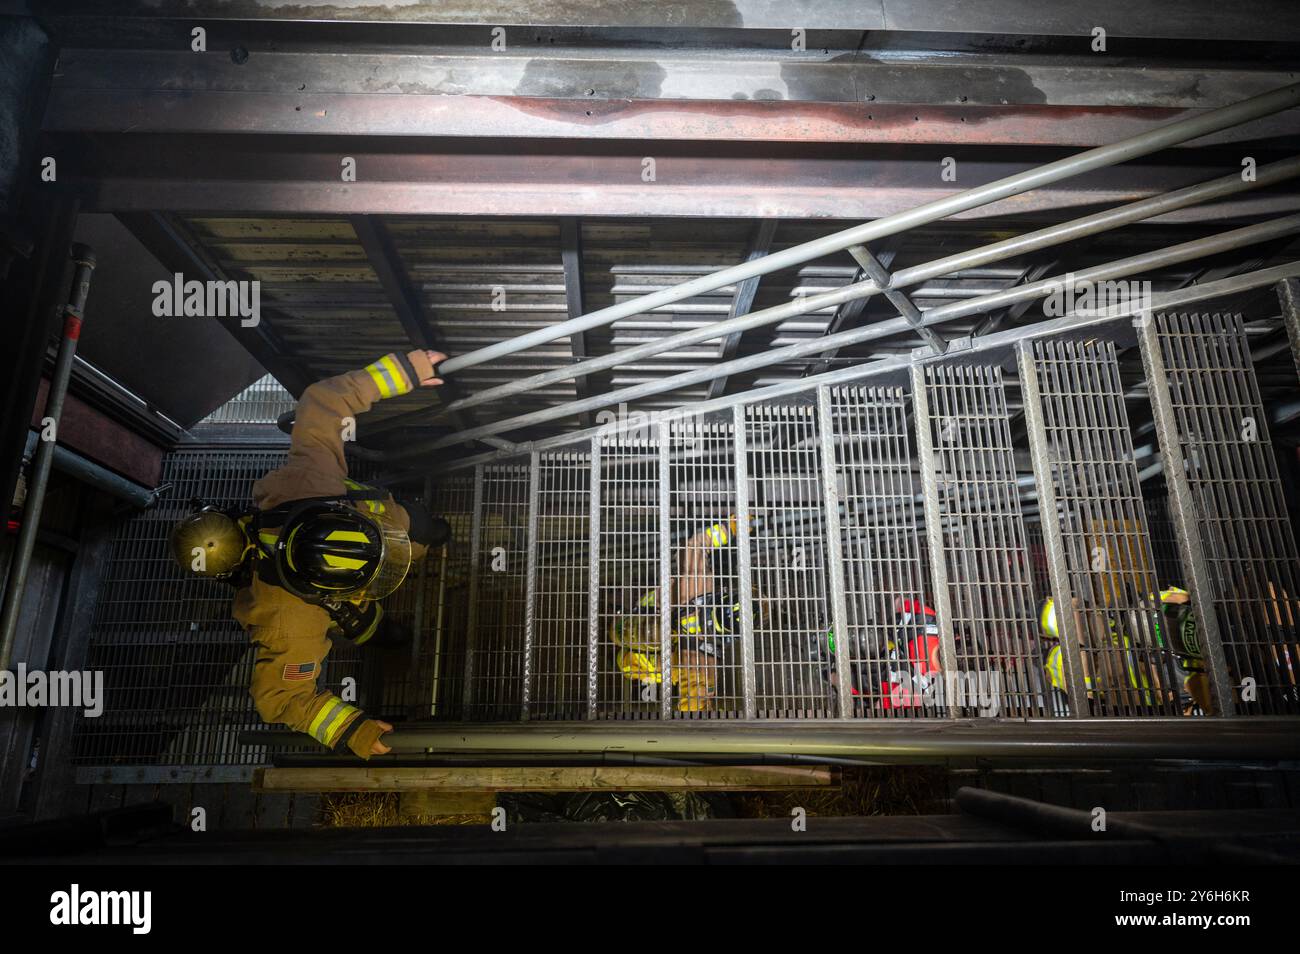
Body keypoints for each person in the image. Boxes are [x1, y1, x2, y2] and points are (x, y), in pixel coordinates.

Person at [169, 350, 450, 758]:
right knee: (377, 629)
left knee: (427, 532)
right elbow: (279, 700)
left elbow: (321, 400)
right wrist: (351, 729)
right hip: (371, 569)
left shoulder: (303, 489)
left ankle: (433, 543)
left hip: (390, 528)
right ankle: (396, 636)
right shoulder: (287, 614)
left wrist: (404, 371)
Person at [609, 518, 743, 712]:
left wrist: (731, 527)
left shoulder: (678, 594)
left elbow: (693, 548)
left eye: (649, 625)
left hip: (685, 602)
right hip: (687, 651)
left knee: (689, 551)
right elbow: (689, 696)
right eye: (649, 636)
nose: (655, 631)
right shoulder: (643, 663)